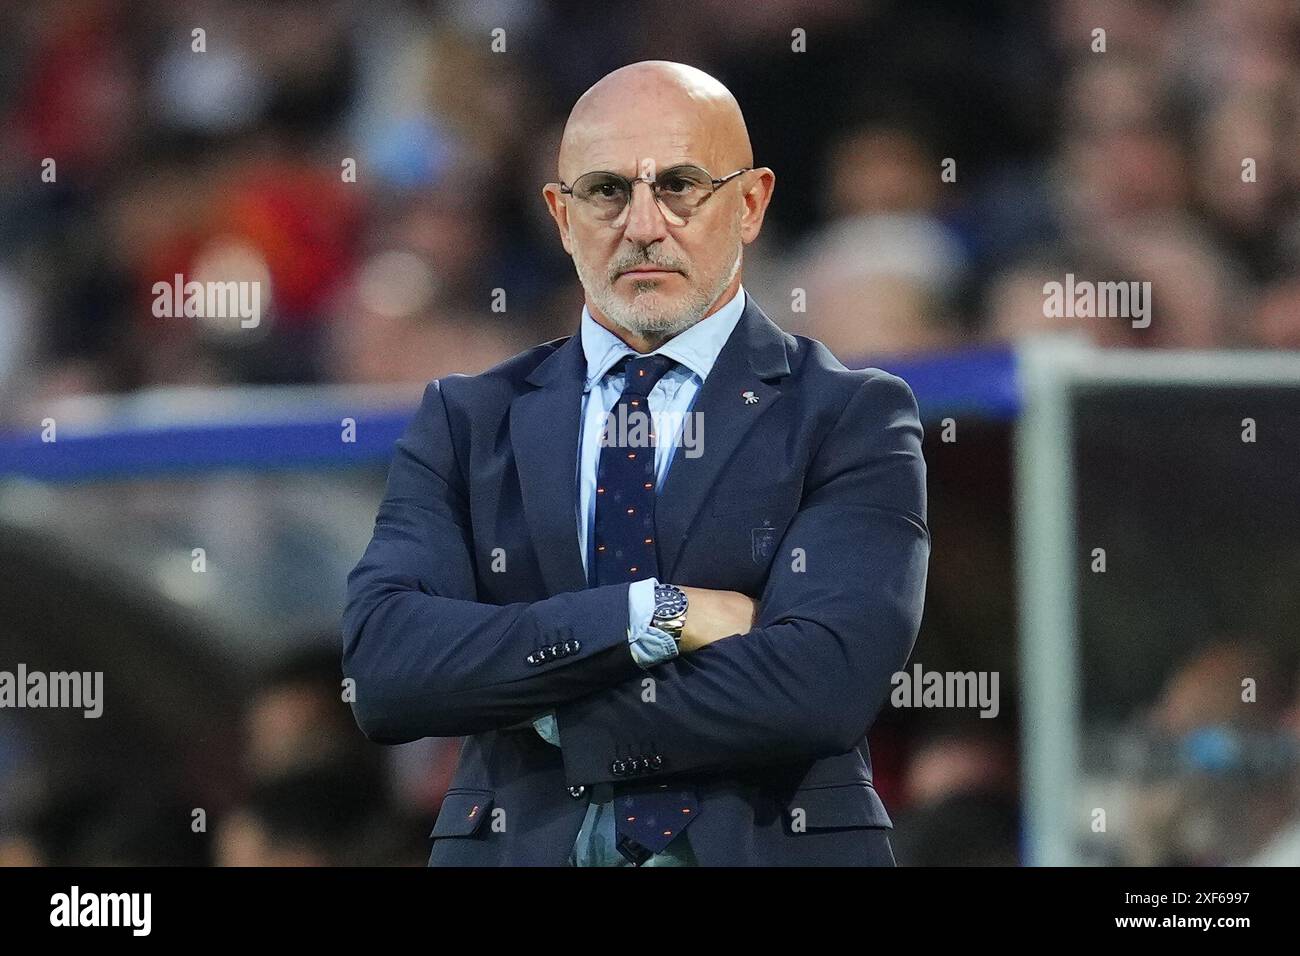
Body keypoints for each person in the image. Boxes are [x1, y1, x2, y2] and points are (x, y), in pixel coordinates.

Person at [342, 60, 929, 866]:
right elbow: (388, 668)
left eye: (682, 185)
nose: (645, 224)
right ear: (560, 213)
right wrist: (655, 614)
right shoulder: (467, 419)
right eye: (608, 191)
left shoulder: (850, 414)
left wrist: (543, 710)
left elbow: (822, 685)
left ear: (750, 202)